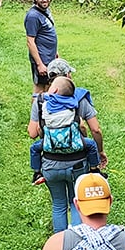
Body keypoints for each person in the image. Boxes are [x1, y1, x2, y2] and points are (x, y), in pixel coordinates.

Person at [28, 73, 106, 232]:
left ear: (54, 89)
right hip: (77, 162)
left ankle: (60, 241)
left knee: (58, 204)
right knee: (75, 201)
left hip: (50, 164)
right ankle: (78, 240)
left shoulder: (41, 101)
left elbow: (34, 132)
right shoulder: (77, 100)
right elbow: (95, 129)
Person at [29, 76, 103, 186]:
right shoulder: (74, 102)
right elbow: (85, 127)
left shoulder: (44, 103)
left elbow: (38, 130)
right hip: (75, 150)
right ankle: (94, 170)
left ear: (54, 90)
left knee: (34, 148)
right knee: (91, 145)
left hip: (51, 152)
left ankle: (37, 173)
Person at [25, 0, 57, 93]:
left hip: (50, 56)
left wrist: (55, 52)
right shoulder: (33, 16)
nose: (45, 0)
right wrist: (39, 64)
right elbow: (30, 41)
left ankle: (44, 110)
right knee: (40, 89)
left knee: (49, 87)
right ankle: (35, 110)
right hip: (42, 59)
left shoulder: (46, 11)